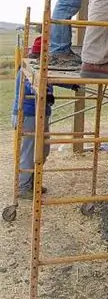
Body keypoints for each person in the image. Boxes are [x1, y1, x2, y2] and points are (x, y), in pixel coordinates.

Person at [11, 37, 54, 199]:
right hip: (28, 115)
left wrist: (71, 85)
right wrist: (46, 94)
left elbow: (51, 79)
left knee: (43, 150)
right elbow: (32, 85)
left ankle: (32, 183)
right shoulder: (29, 68)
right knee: (29, 152)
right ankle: (23, 188)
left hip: (40, 113)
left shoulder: (42, 68)